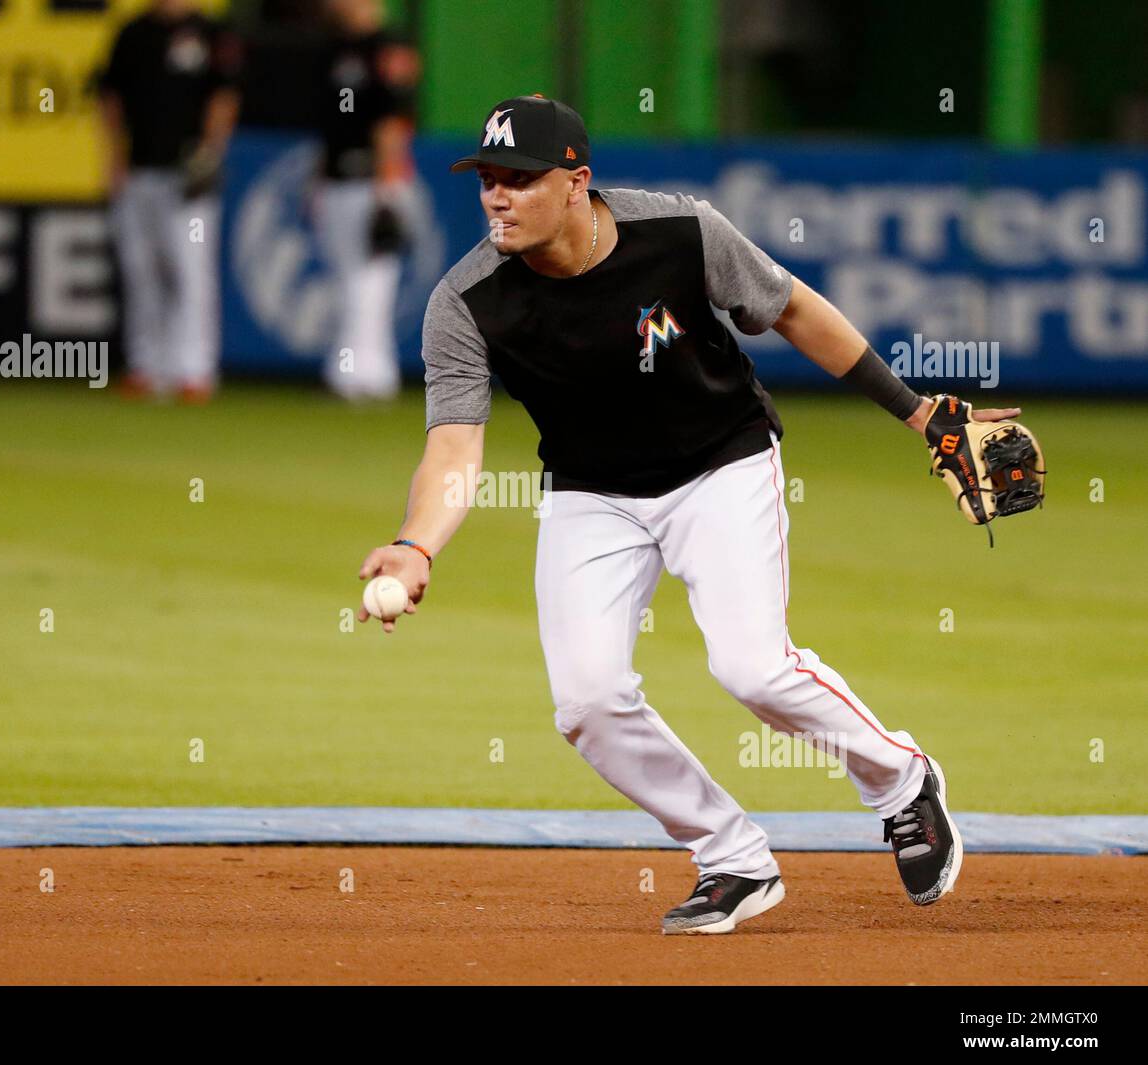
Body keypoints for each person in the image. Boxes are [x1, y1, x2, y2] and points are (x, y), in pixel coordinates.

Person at [357, 96, 1024, 935]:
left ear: (576, 182)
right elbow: (455, 451)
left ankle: (900, 779)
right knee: (587, 703)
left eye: (520, 180)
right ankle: (732, 858)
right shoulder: (467, 301)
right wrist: (417, 545)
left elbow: (794, 309)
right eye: (489, 179)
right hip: (591, 493)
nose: (499, 197)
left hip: (722, 463)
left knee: (752, 668)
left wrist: (917, 411)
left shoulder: (679, 233)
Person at [98, 0, 240, 402]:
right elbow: (111, 96)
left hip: (187, 174)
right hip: (141, 168)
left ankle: (194, 371)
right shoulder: (133, 32)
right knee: (141, 269)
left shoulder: (211, 33)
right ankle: (147, 366)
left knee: (189, 269)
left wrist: (210, 154)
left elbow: (224, 97)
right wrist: (115, 156)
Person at [312, 0, 419, 401]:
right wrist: (318, 179)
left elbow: (393, 118)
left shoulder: (388, 47)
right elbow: (329, 125)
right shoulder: (334, 50)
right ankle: (358, 371)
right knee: (346, 281)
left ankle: (368, 375)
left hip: (374, 178)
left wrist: (387, 187)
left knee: (371, 280)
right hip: (337, 178)